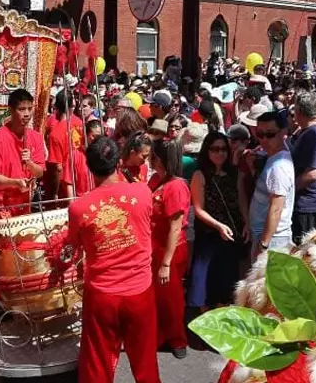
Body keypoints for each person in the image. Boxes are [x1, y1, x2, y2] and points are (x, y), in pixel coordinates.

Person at [66, 137, 160, 383]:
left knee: (97, 363)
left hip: (102, 295)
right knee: (145, 362)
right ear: (119, 161)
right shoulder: (142, 192)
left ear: (89, 166)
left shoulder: (79, 207)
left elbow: (74, 245)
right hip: (139, 291)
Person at [188, 132, 247, 310]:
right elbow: (198, 208)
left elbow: (241, 200)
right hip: (209, 234)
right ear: (207, 151)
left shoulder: (234, 173)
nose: (220, 153)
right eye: (215, 149)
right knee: (205, 284)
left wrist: (247, 223)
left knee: (226, 281)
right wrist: (218, 226)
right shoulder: (200, 175)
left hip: (230, 234)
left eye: (223, 149)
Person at [148, 139, 190, 358]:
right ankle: (160, 335)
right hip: (155, 249)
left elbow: (175, 227)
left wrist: (165, 262)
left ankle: (177, 340)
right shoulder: (157, 180)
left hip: (169, 252)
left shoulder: (176, 187)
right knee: (158, 297)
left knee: (171, 299)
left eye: (152, 156)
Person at [0, 89, 46, 220]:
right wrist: (15, 183)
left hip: (24, 203)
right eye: (21, 109)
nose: (27, 114)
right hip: (1, 203)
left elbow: (39, 172)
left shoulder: (36, 137)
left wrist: (30, 163)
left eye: (29, 109)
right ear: (11, 110)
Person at [248, 111, 295, 259]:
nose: (264, 139)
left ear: (283, 132)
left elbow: (276, 209)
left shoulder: (279, 165)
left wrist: (263, 245)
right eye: (260, 134)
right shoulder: (274, 157)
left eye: (270, 134)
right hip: (268, 236)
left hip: (273, 239)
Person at [290, 92, 316, 244]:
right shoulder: (310, 132)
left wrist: (289, 188)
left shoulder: (314, 134)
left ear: (299, 111)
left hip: (306, 206)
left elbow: (312, 173)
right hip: (306, 205)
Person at [45, 91, 85, 199]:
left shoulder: (55, 134)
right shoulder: (80, 123)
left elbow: (58, 168)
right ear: (72, 105)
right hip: (83, 176)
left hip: (66, 183)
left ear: (56, 107)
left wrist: (55, 193)